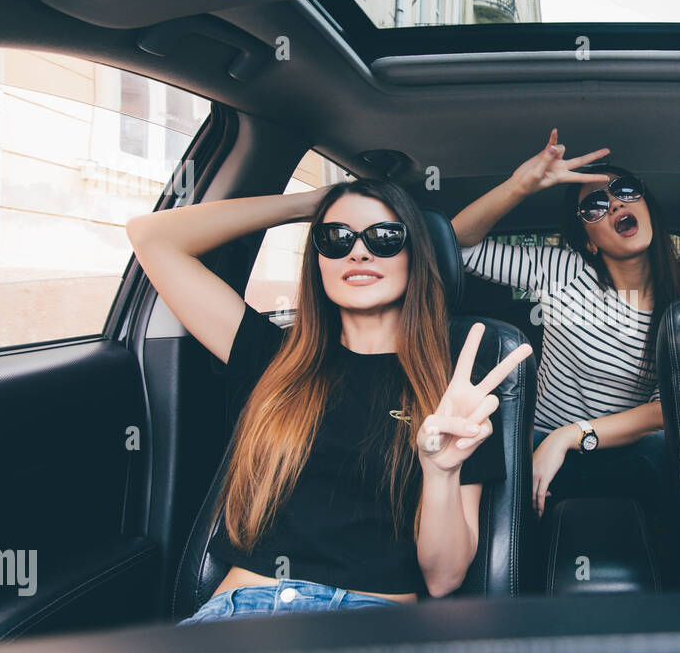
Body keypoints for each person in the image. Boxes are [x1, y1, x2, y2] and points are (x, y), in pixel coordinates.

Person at [127, 179, 531, 623]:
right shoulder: (271, 357)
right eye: (336, 238)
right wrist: (311, 204)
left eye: (384, 238)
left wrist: (441, 472)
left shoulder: (456, 392)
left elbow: (444, 579)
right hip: (239, 615)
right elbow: (152, 237)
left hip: (369, 623)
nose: (359, 252)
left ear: (415, 255)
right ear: (316, 260)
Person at [451, 129, 680, 519]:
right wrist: (520, 186)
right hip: (538, 438)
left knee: (672, 452)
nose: (615, 204)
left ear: (647, 206)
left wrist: (572, 437)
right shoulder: (564, 271)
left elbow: (666, 409)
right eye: (595, 206)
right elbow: (458, 246)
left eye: (627, 191)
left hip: (623, 450)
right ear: (589, 242)